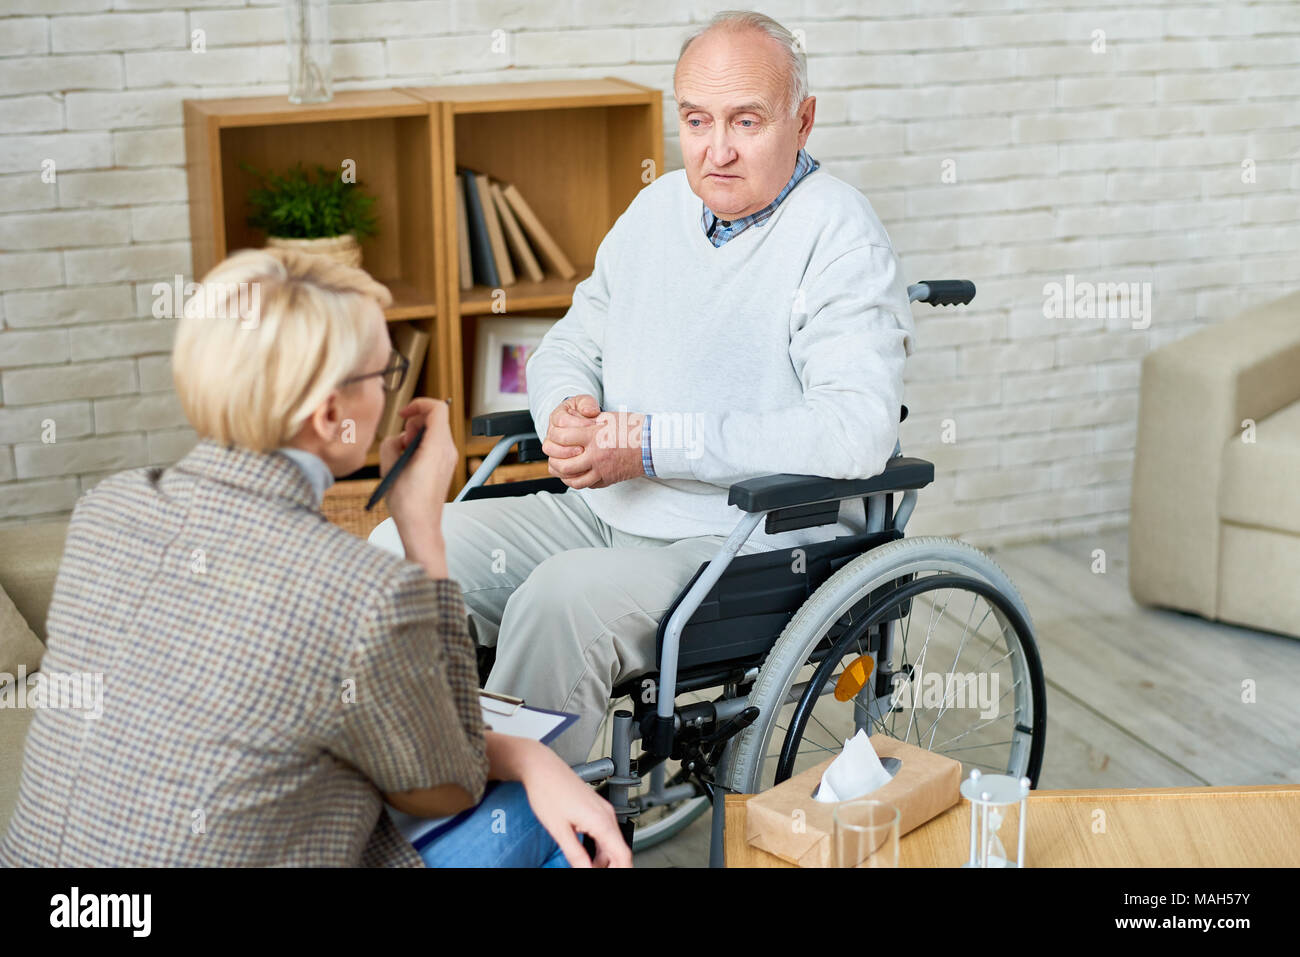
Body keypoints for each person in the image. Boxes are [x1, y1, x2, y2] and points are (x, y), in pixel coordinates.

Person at [369, 9, 917, 767]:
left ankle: (508, 829)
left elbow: (856, 429)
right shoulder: (656, 209)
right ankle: (413, 777)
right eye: (696, 120)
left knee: (560, 602)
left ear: (804, 121)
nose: (716, 150)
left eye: (746, 121)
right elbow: (569, 340)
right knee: (396, 547)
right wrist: (564, 408)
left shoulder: (839, 235)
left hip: (737, 545)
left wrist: (655, 444)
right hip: (602, 514)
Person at [0, 248, 631, 868]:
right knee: (565, 820)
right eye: (386, 375)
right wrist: (423, 533)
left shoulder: (109, 507)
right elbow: (444, 781)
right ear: (332, 415)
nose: (392, 392)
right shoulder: (359, 592)